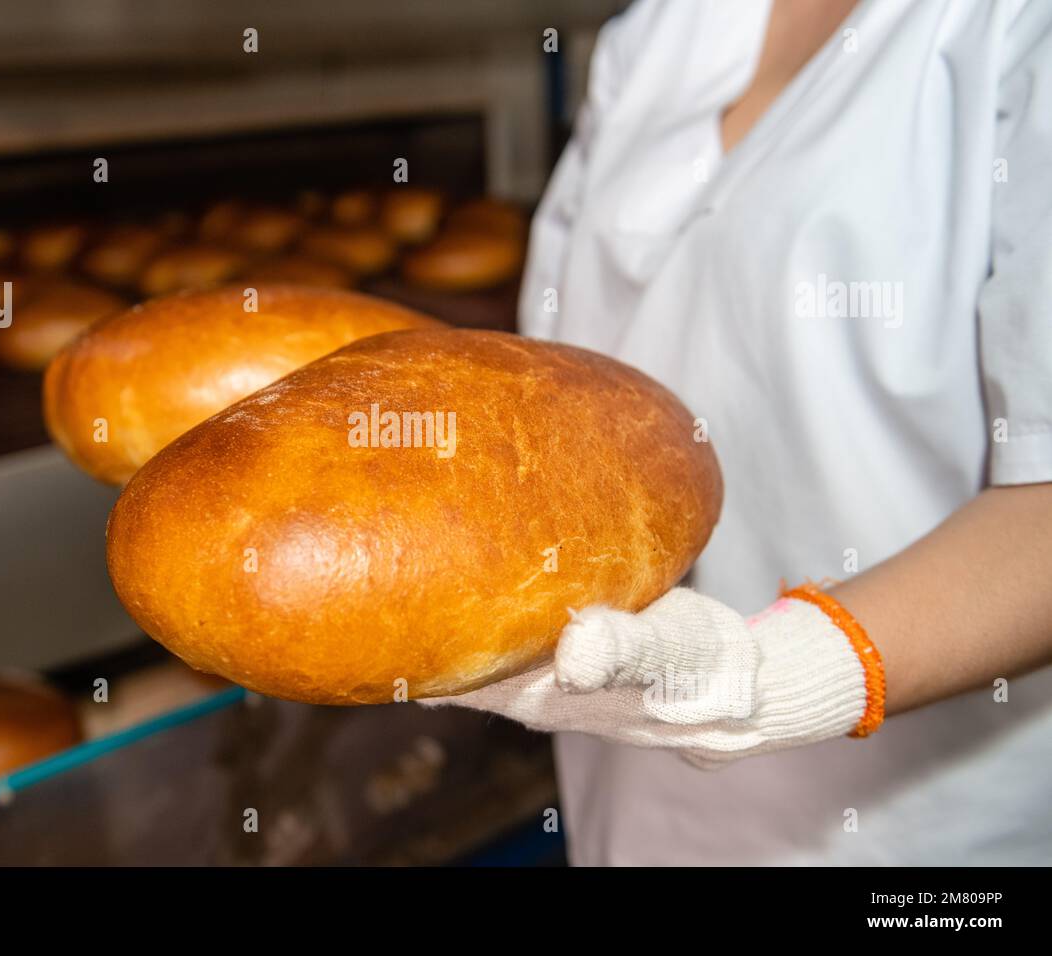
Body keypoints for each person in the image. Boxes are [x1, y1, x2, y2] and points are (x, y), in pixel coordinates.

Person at [426, 0, 1052, 864]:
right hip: (629, 803)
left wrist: (771, 680)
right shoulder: (654, 34)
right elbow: (557, 396)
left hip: (919, 838)